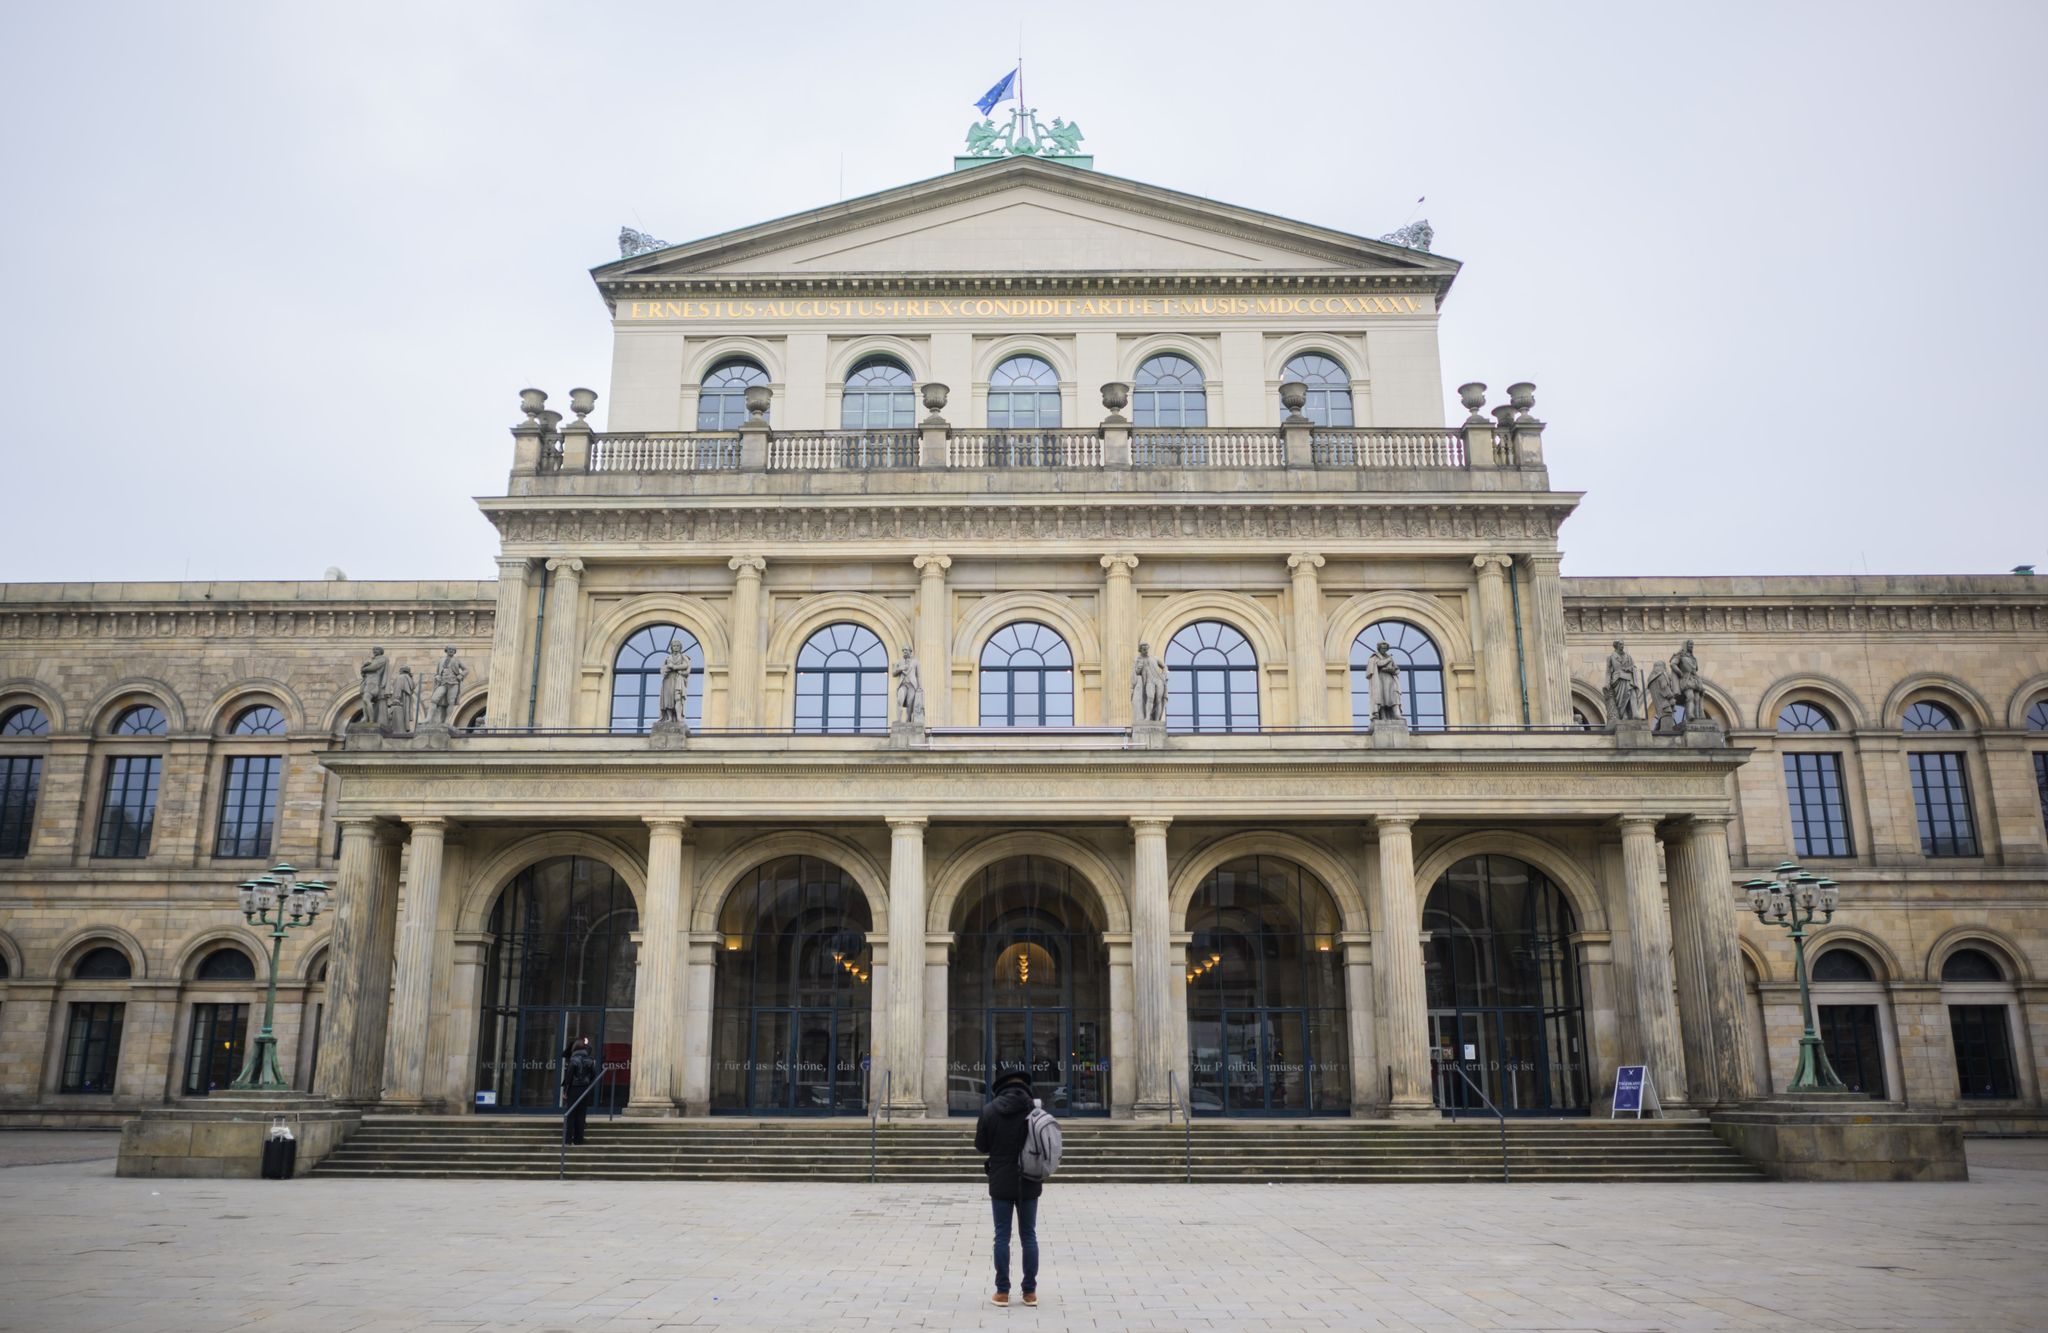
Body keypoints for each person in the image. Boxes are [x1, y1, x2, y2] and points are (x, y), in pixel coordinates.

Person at [974, 1065, 1042, 1307]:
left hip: (1001, 1179)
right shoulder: (1034, 1110)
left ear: (1000, 1087)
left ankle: (1002, 1292)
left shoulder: (990, 1110)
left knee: (1002, 1236)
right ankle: (1030, 1292)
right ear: (1023, 1086)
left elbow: (981, 1146)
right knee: (1029, 1236)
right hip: (1029, 1179)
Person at [560, 1036, 598, 1146]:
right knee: (581, 1114)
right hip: (584, 1089)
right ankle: (578, 1139)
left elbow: (569, 1077)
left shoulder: (573, 1060)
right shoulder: (590, 1060)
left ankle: (568, 1139)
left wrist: (565, 1091)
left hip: (574, 1089)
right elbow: (594, 1075)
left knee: (571, 1114)